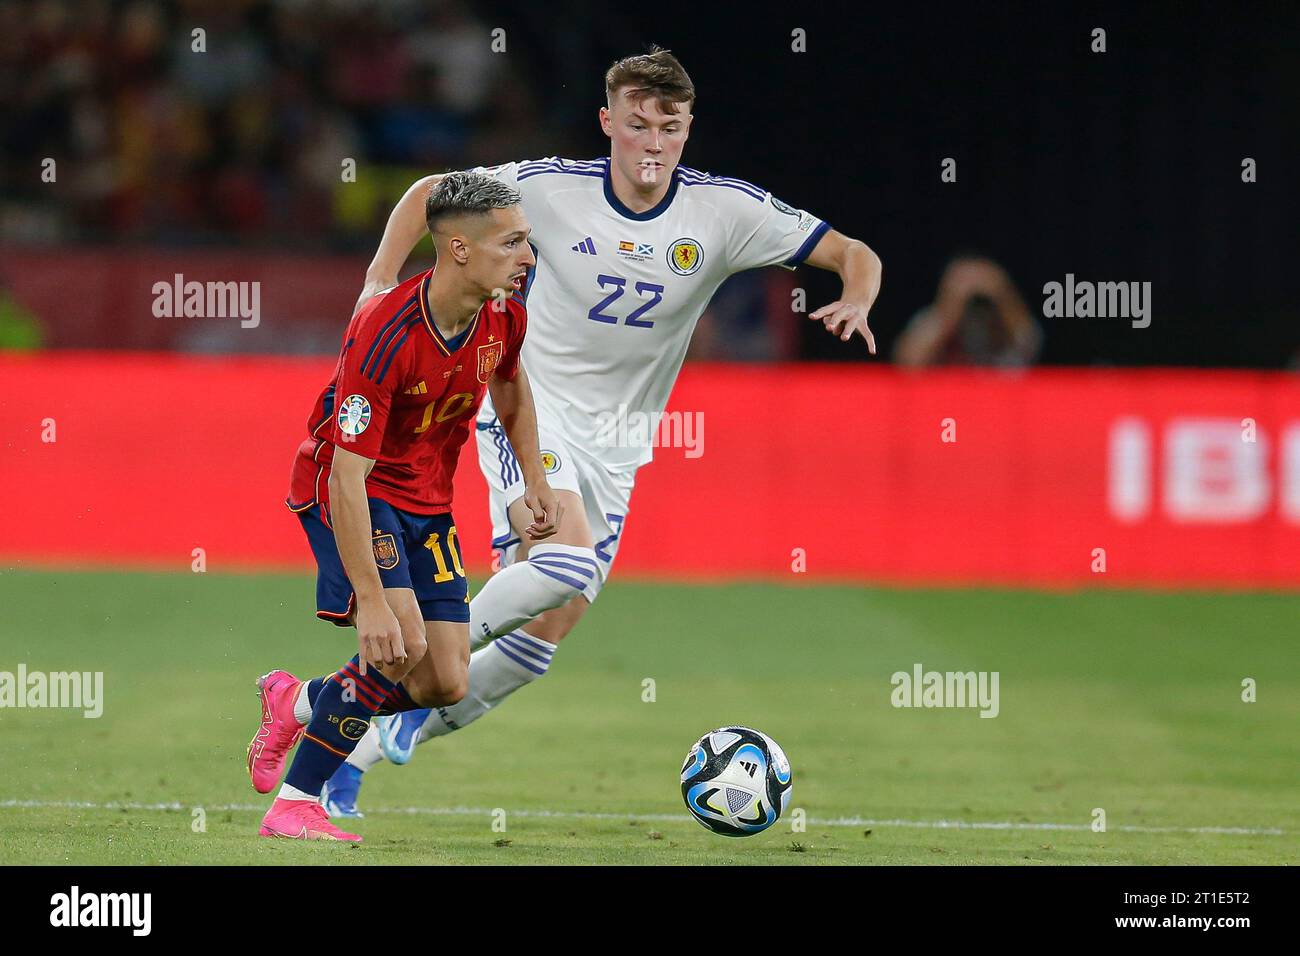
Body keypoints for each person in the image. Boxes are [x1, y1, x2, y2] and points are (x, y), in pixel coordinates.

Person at [322, 47, 883, 817]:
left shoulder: (725, 211)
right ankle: (397, 662)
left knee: (537, 647)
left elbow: (853, 252)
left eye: (669, 126)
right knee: (565, 566)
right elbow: (429, 193)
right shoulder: (552, 188)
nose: (652, 141)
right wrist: (379, 281)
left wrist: (856, 295)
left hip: (621, 446)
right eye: (637, 123)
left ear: (687, 130)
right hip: (528, 410)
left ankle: (361, 746)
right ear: (608, 123)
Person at [246, 172, 560, 841]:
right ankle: (295, 804)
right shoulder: (385, 334)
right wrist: (372, 600)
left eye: (527, 242)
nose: (528, 257)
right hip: (353, 491)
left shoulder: (504, 308)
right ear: (459, 251)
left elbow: (510, 386)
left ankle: (295, 701)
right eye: (513, 243)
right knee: (397, 646)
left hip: (428, 502)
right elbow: (347, 478)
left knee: (445, 679)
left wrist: (535, 480)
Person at [893, 256, 1041, 367]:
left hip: (998, 399)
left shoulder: (1004, 322)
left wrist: (1000, 294)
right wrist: (953, 302)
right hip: (947, 400)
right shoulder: (932, 319)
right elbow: (907, 361)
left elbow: (1029, 344)